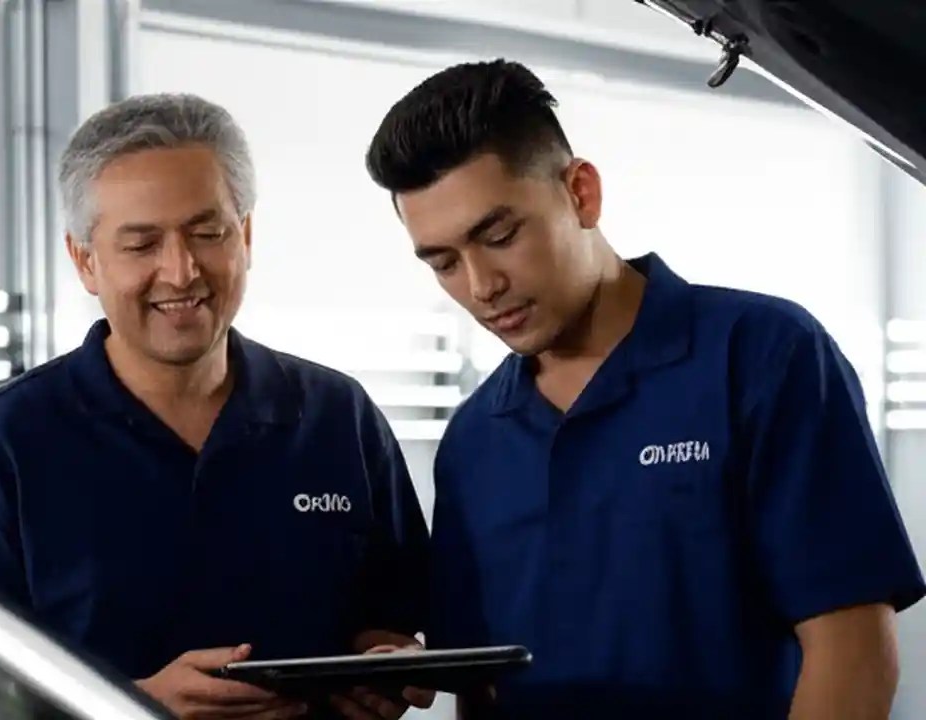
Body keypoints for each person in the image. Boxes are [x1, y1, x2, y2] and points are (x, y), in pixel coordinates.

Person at [363, 59, 925, 719]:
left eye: (500, 236)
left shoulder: (763, 356)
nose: (481, 286)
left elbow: (852, 652)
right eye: (444, 262)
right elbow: (485, 685)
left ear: (581, 193)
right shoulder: (474, 439)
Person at [0, 92, 434, 720]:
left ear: (245, 235)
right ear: (85, 261)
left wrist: (382, 661)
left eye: (207, 233)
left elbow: (393, 614)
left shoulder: (338, 418)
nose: (181, 271)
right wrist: (132, 708)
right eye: (141, 245)